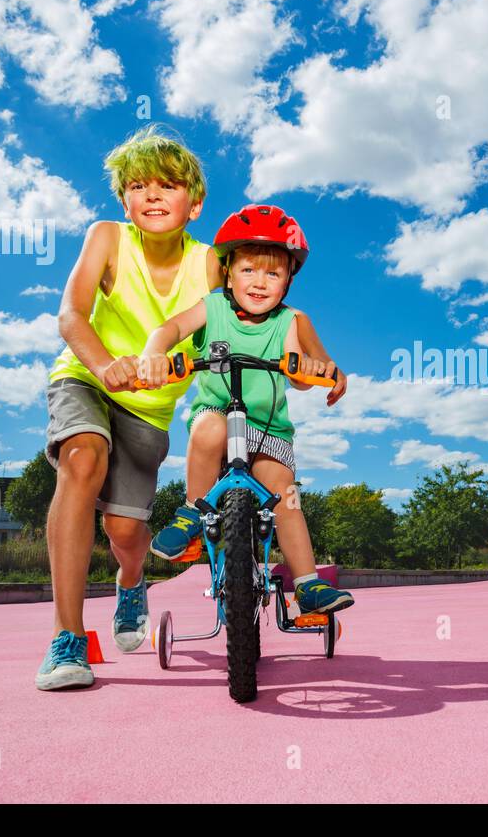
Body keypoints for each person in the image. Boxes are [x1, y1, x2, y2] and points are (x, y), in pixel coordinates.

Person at [34, 124, 222, 692]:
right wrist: (104, 364)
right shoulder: (107, 238)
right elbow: (71, 316)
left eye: (169, 184)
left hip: (150, 410)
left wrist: (180, 370)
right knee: (81, 460)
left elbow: (216, 342)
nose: (153, 194)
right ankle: (66, 637)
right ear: (124, 200)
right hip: (86, 377)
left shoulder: (211, 262)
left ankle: (131, 579)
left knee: (122, 527)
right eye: (139, 185)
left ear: (195, 203)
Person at [137, 204, 354, 617]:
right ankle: (192, 514)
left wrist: (311, 368)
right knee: (210, 428)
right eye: (249, 270)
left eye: (273, 274)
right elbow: (171, 329)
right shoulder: (212, 307)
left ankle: (306, 584)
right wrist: (153, 352)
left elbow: (303, 373)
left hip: (269, 429)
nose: (259, 282)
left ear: (288, 280)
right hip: (218, 415)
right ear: (229, 272)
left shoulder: (289, 321)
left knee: (283, 493)